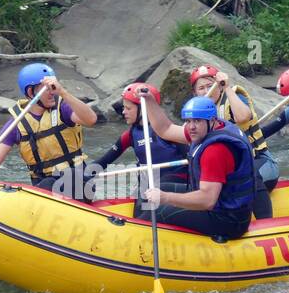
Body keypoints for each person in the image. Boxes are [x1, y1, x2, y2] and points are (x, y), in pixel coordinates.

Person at [0, 62, 98, 199]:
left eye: (53, 88)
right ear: (31, 92)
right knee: (46, 185)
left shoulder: (63, 109)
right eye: (47, 89)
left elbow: (91, 119)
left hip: (78, 183)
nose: (52, 93)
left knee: (55, 182)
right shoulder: (16, 124)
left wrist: (63, 92)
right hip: (43, 189)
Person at [140, 96, 255, 240]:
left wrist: (166, 197)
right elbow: (165, 129)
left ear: (211, 120)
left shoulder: (216, 150)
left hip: (227, 220)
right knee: (153, 188)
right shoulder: (209, 129)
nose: (191, 127)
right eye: (188, 121)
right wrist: (149, 101)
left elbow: (207, 200)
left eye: (197, 121)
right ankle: (139, 226)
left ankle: (138, 242)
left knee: (157, 210)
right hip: (219, 203)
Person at [189, 64, 276, 218]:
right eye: (201, 88)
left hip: (260, 161)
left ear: (219, 86)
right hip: (230, 168)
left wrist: (227, 88)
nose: (206, 91)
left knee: (251, 174)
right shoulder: (196, 116)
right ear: (195, 93)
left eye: (210, 85)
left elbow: (242, 117)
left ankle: (266, 223)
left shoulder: (233, 97)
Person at [92, 82, 188, 210]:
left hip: (173, 187)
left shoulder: (170, 131)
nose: (123, 112)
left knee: (148, 193)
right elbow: (103, 161)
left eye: (128, 108)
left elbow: (193, 160)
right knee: (141, 198)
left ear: (144, 108)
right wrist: (79, 173)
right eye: (124, 108)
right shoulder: (131, 135)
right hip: (147, 188)